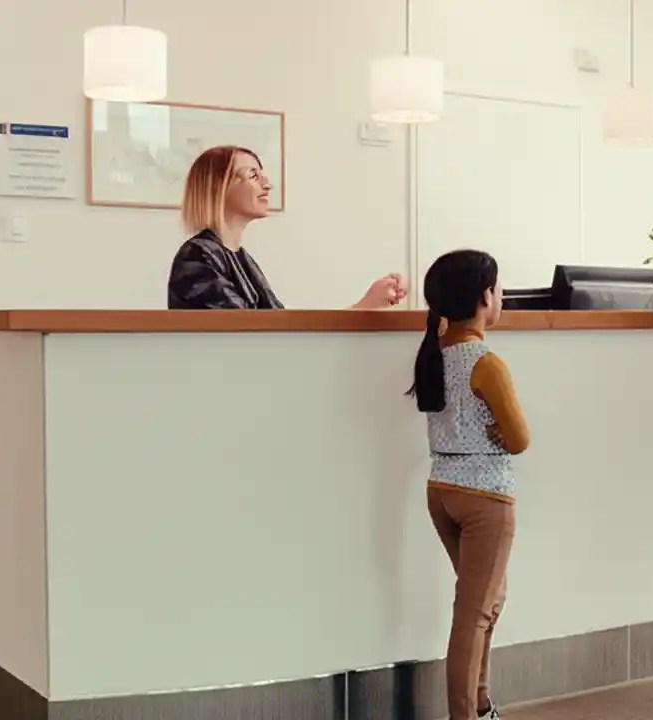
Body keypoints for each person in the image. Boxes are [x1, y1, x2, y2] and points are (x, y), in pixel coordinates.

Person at [408, 249, 529, 720]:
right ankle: (466, 714)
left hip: (442, 491)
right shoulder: (487, 362)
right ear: (485, 297)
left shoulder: (436, 353)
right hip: (486, 500)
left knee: (487, 602)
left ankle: (480, 703)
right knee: (475, 614)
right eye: (498, 291)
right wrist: (499, 431)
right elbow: (519, 439)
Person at [167, 145, 407, 309]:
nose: (267, 184)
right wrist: (363, 308)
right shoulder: (198, 257)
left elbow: (281, 329)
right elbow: (254, 337)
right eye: (253, 175)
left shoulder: (240, 259)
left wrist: (366, 305)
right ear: (218, 187)